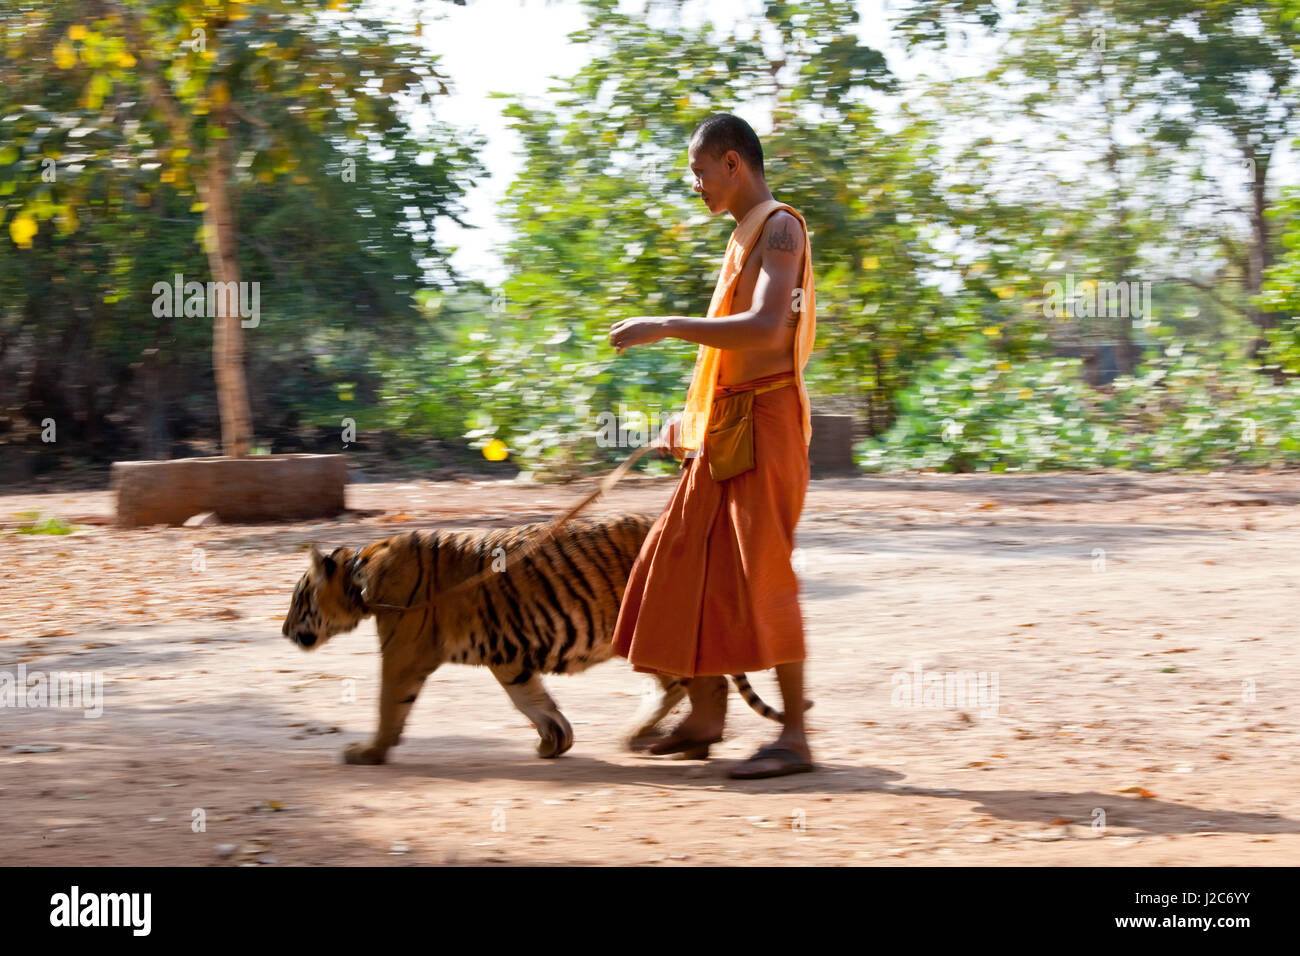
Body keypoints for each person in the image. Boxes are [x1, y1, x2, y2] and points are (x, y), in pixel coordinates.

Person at [607, 112, 817, 779]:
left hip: (768, 423)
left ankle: (796, 739)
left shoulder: (780, 227)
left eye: (700, 171)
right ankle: (704, 716)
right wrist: (692, 418)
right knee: (678, 561)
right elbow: (732, 354)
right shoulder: (740, 238)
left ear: (733, 163)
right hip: (729, 422)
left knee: (765, 573)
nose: (695, 184)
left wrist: (666, 325)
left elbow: (761, 329)